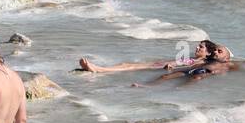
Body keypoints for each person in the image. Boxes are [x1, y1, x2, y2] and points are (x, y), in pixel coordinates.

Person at [81, 39, 213, 74]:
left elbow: (188, 67)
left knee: (128, 67)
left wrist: (171, 67)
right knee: (126, 65)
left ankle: (98, 69)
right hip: (158, 64)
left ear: (207, 52)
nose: (197, 48)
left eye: (201, 47)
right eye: (198, 45)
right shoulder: (195, 59)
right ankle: (98, 68)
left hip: (161, 67)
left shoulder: (199, 62)